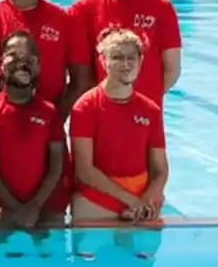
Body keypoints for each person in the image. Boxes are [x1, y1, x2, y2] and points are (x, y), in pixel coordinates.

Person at [70, 29, 168, 224]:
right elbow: (84, 171)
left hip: (141, 200)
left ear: (141, 61)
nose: (125, 64)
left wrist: (150, 195)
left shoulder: (150, 109)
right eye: (117, 57)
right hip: (97, 201)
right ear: (103, 61)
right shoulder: (85, 107)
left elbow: (160, 168)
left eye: (131, 57)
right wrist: (131, 201)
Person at [0, 31, 67, 229]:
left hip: (42, 204)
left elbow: (56, 165)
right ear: (1, 65)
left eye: (28, 57)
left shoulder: (49, 112)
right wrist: (15, 208)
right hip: (0, 204)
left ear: (38, 67)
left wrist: (34, 206)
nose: (21, 62)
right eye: (13, 55)